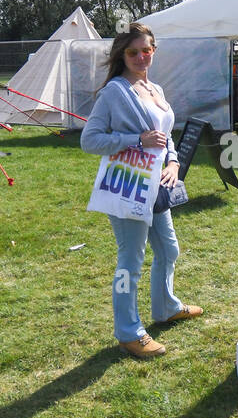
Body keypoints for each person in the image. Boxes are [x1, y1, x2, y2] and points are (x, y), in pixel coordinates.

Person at [80, 23, 202, 358]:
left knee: (169, 250)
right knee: (130, 261)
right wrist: (135, 140)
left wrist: (174, 162)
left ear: (154, 50)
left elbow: (167, 134)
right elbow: (89, 141)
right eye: (133, 52)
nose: (140, 57)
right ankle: (128, 331)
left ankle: (165, 307)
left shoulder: (156, 89)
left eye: (146, 50)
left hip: (157, 186)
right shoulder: (115, 93)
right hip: (128, 188)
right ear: (122, 55)